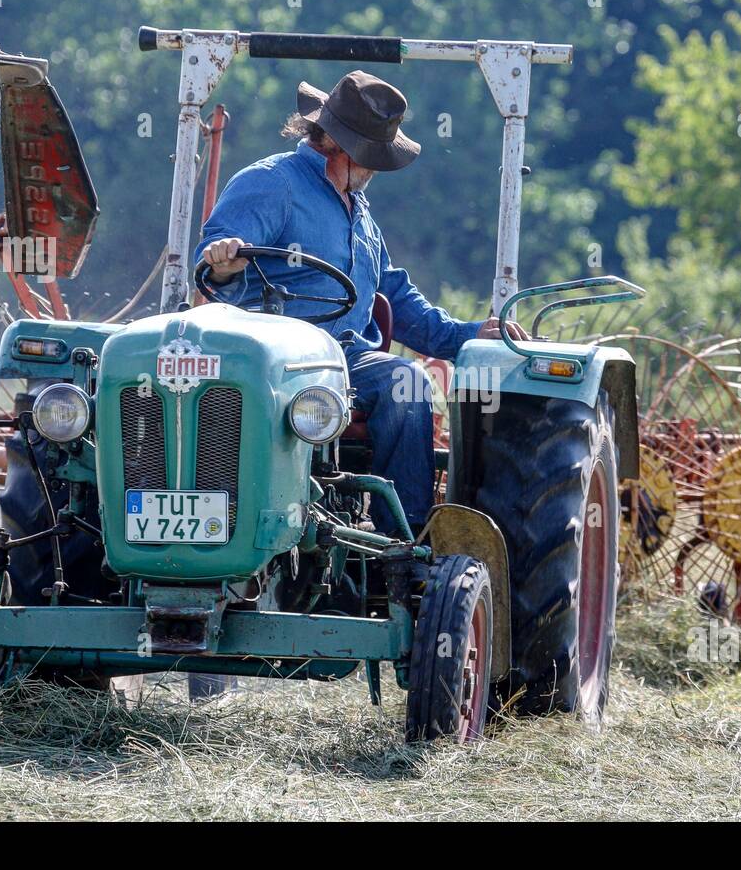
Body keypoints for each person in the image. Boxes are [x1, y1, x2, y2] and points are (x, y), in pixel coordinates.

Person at [196, 70, 525, 535]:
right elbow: (215, 259)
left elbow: (394, 295)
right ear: (344, 149)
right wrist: (224, 264)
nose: (374, 171)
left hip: (345, 359)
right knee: (404, 377)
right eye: (373, 159)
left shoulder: (358, 210)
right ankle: (395, 542)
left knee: (405, 383)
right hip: (274, 360)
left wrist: (471, 334)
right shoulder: (271, 184)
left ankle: (401, 545)